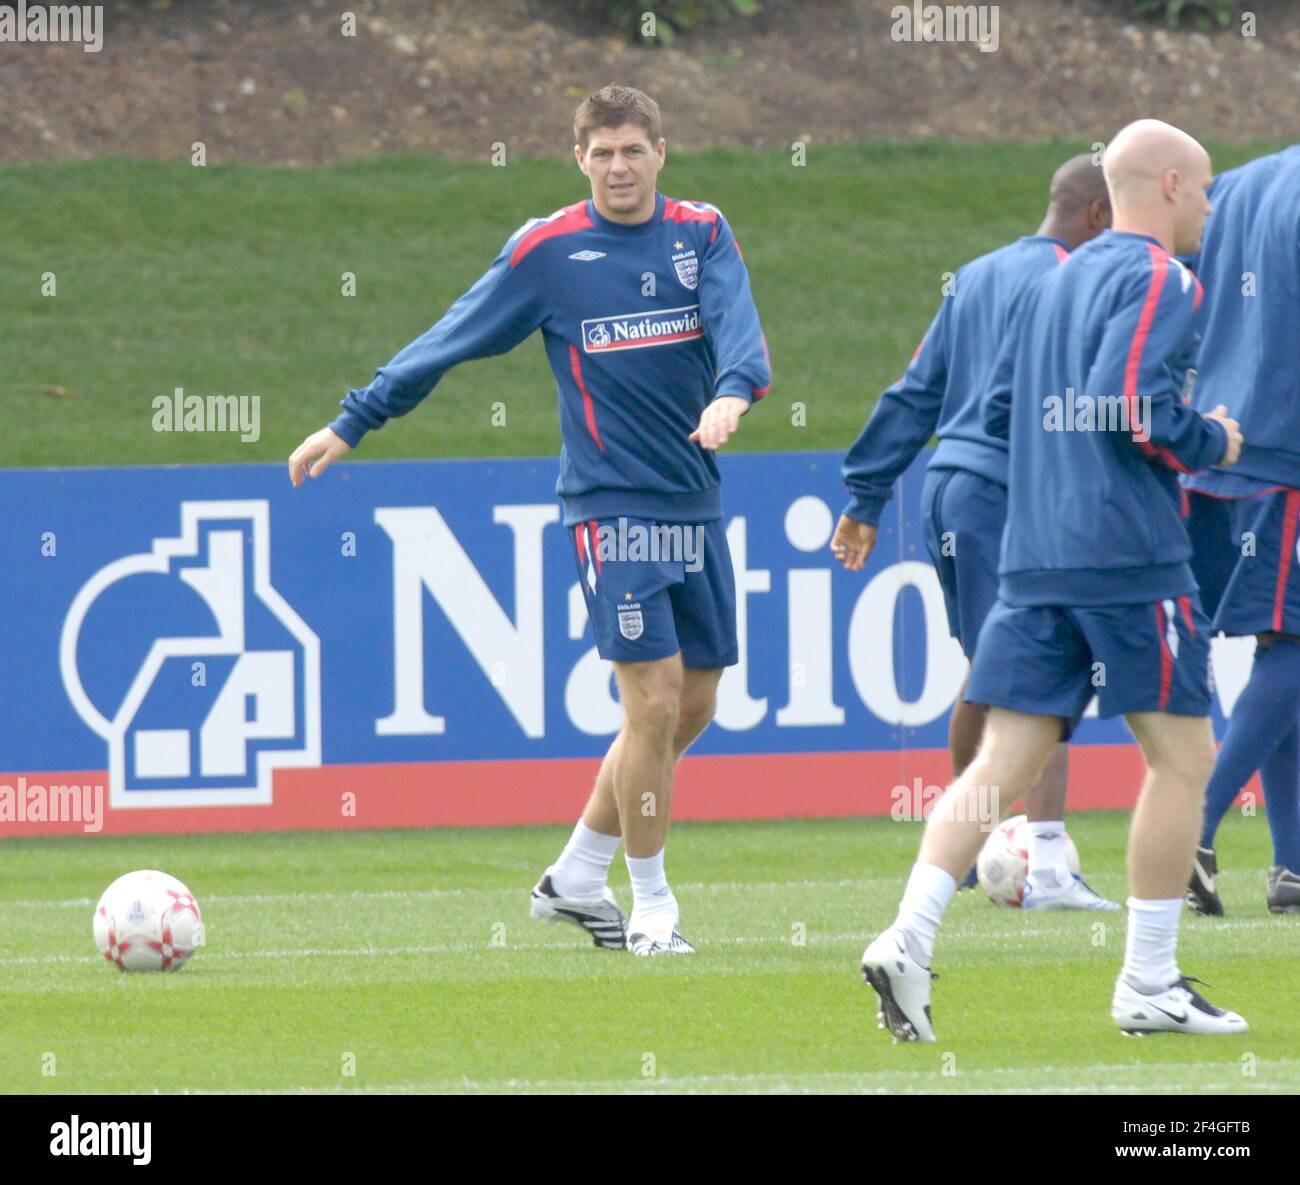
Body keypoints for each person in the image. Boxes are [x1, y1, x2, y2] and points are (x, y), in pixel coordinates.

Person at [287, 85, 771, 956]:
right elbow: (452, 335)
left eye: (633, 149)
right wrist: (353, 418)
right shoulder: (548, 251)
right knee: (652, 701)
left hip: (693, 501)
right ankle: (653, 906)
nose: (618, 168)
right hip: (608, 506)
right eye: (601, 153)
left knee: (690, 706)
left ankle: (577, 874)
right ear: (578, 159)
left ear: (662, 151)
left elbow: (738, 326)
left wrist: (734, 392)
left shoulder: (702, 232)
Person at [861, 119, 1246, 1041]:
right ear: (1162, 184)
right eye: (1200, 187)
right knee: (1184, 759)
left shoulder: (1050, 281)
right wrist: (1212, 440)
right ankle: (1148, 980)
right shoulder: (1161, 278)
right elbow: (1135, 405)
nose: (1208, 204)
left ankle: (907, 937)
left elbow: (993, 411)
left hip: (1034, 557)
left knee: (1002, 763)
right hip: (1125, 554)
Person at [832, 155, 1116, 910]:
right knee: (1045, 667)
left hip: (950, 489)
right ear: (1098, 217)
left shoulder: (976, 275)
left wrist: (866, 492)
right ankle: (1046, 866)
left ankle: (966, 848)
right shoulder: (1078, 281)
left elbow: (915, 390)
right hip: (1010, 493)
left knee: (991, 668)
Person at [1177, 144, 1300, 916]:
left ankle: (1291, 865)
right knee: (1294, 647)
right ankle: (1193, 822)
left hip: (1216, 446)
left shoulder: (1239, 182)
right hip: (1284, 449)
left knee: (1278, 646)